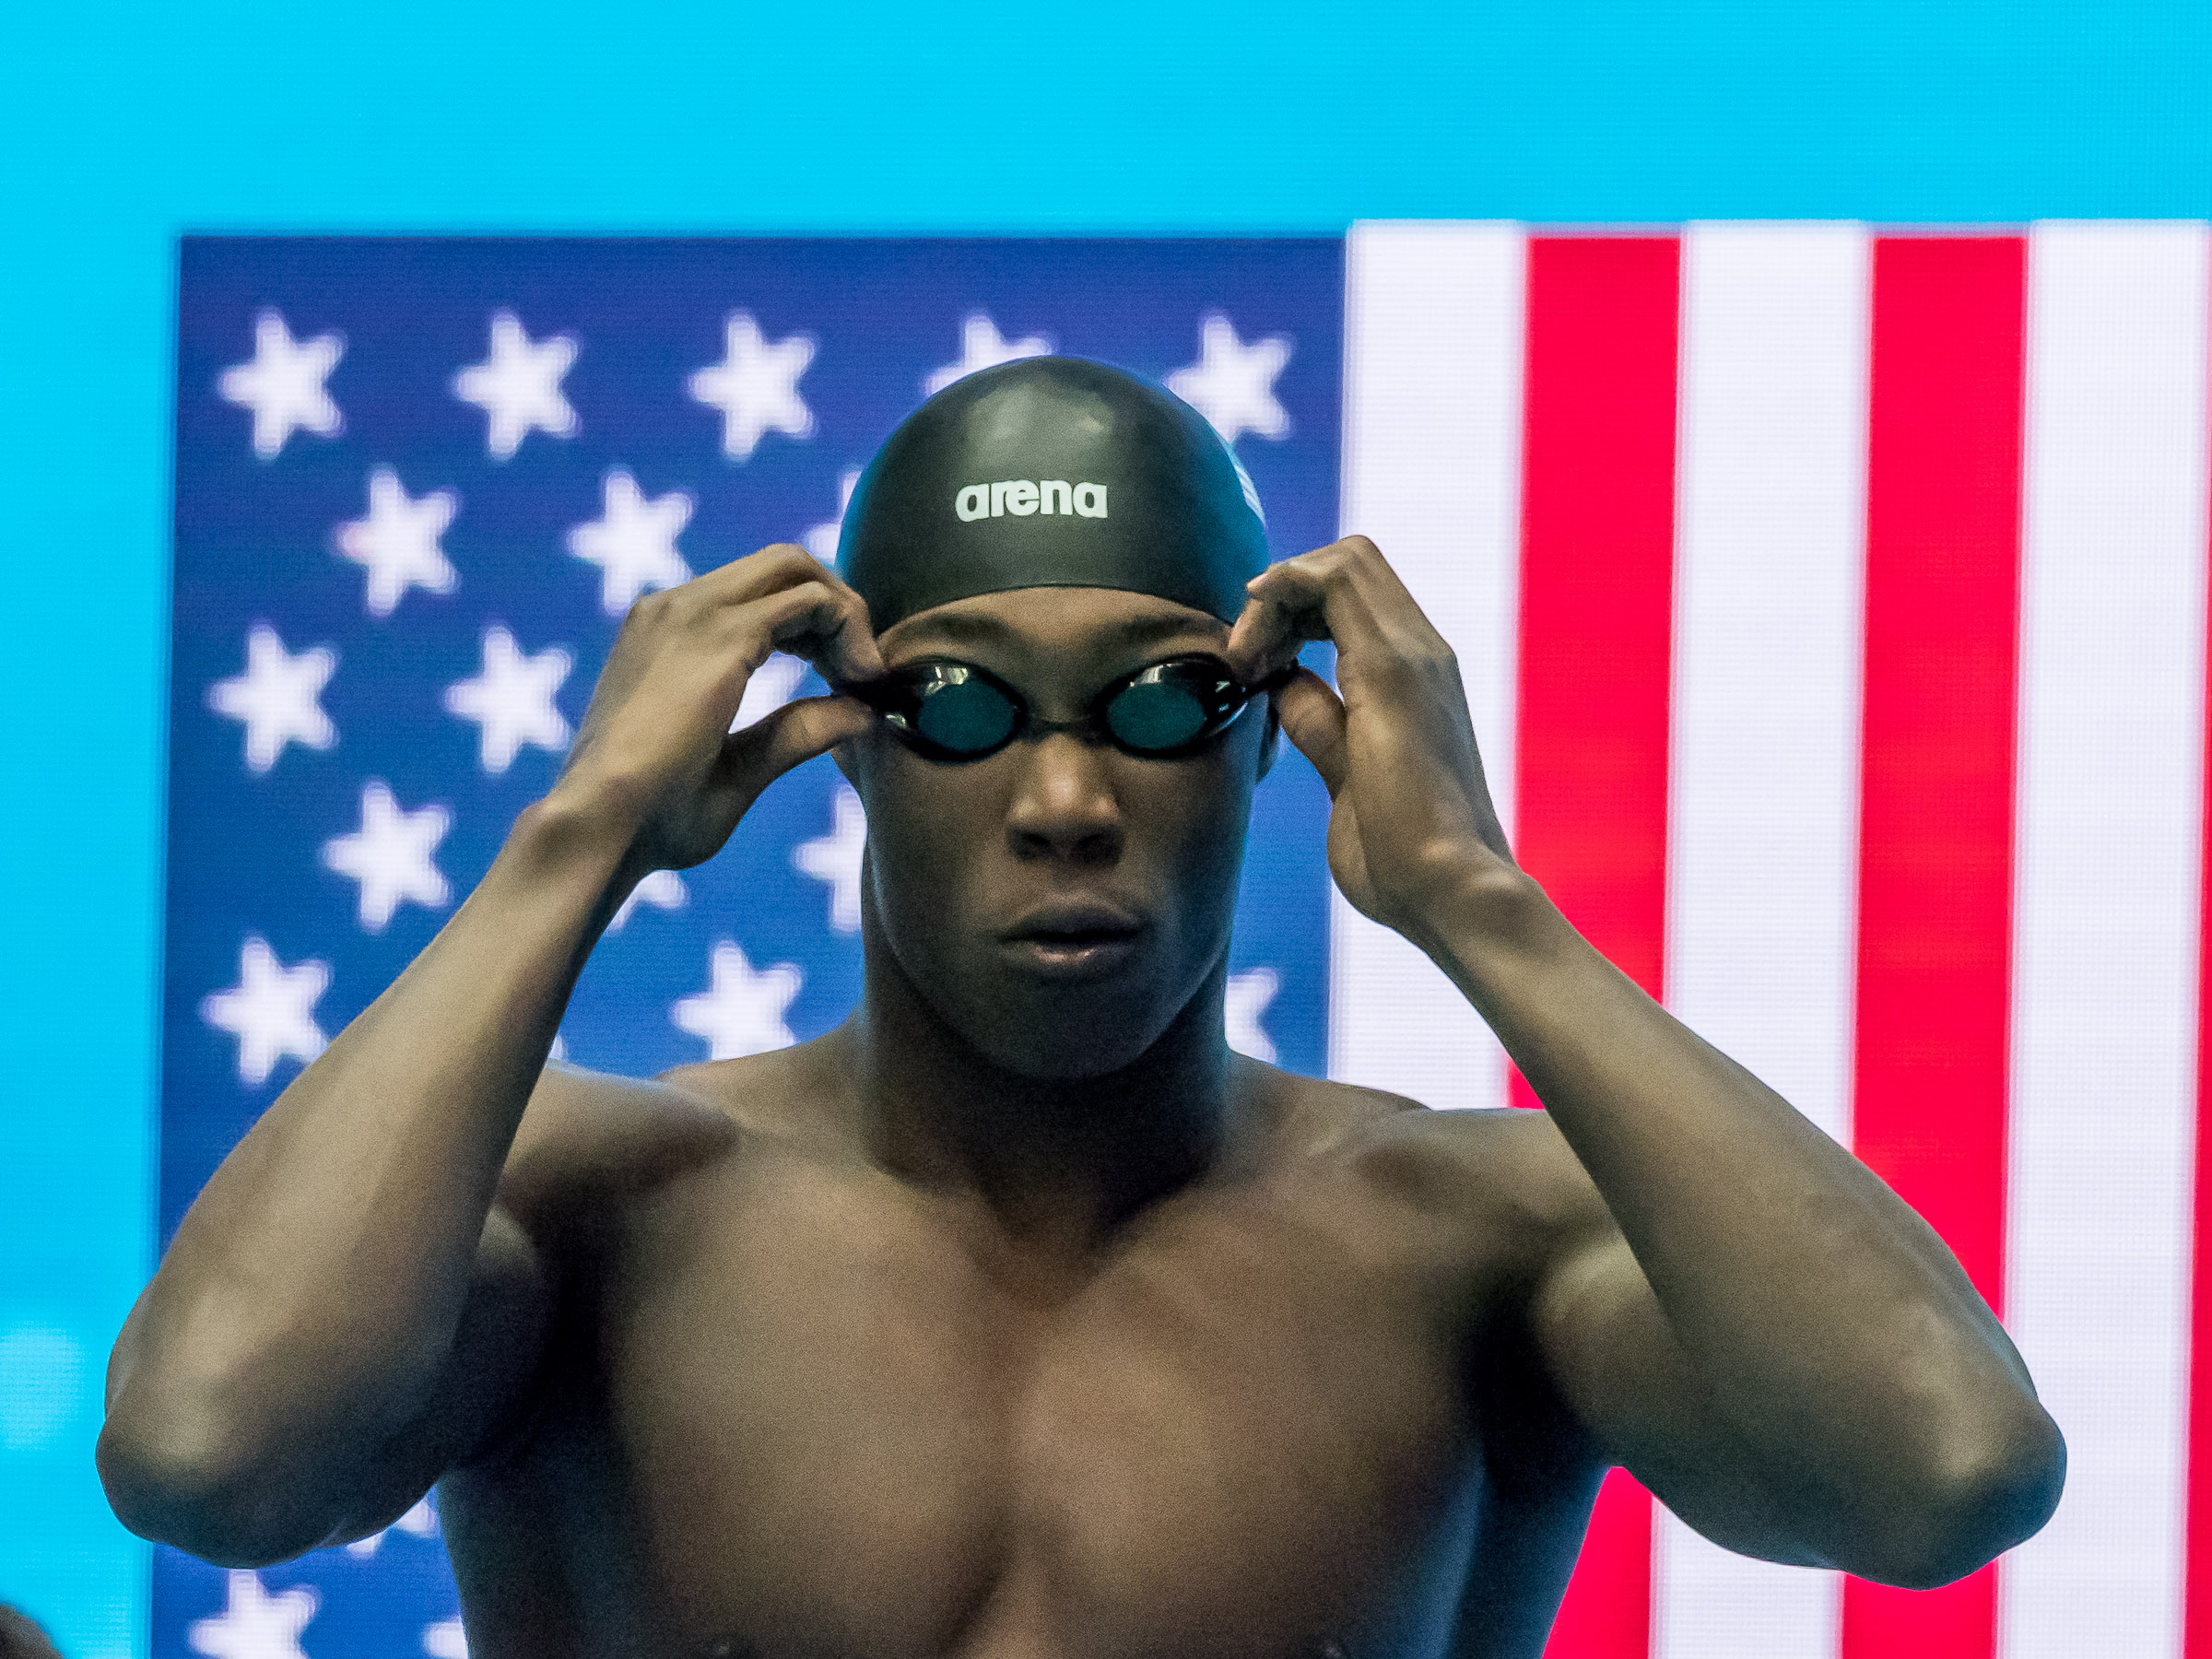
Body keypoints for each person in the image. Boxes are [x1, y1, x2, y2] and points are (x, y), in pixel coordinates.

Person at [98, 358, 2063, 1659]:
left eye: (1154, 701)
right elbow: (206, 1455)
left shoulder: (1473, 1242)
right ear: (841, 746)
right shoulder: (603, 1211)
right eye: (956, 706)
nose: (1060, 801)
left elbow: (1942, 1474)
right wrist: (577, 840)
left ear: (1274, 741)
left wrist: (1487, 906)